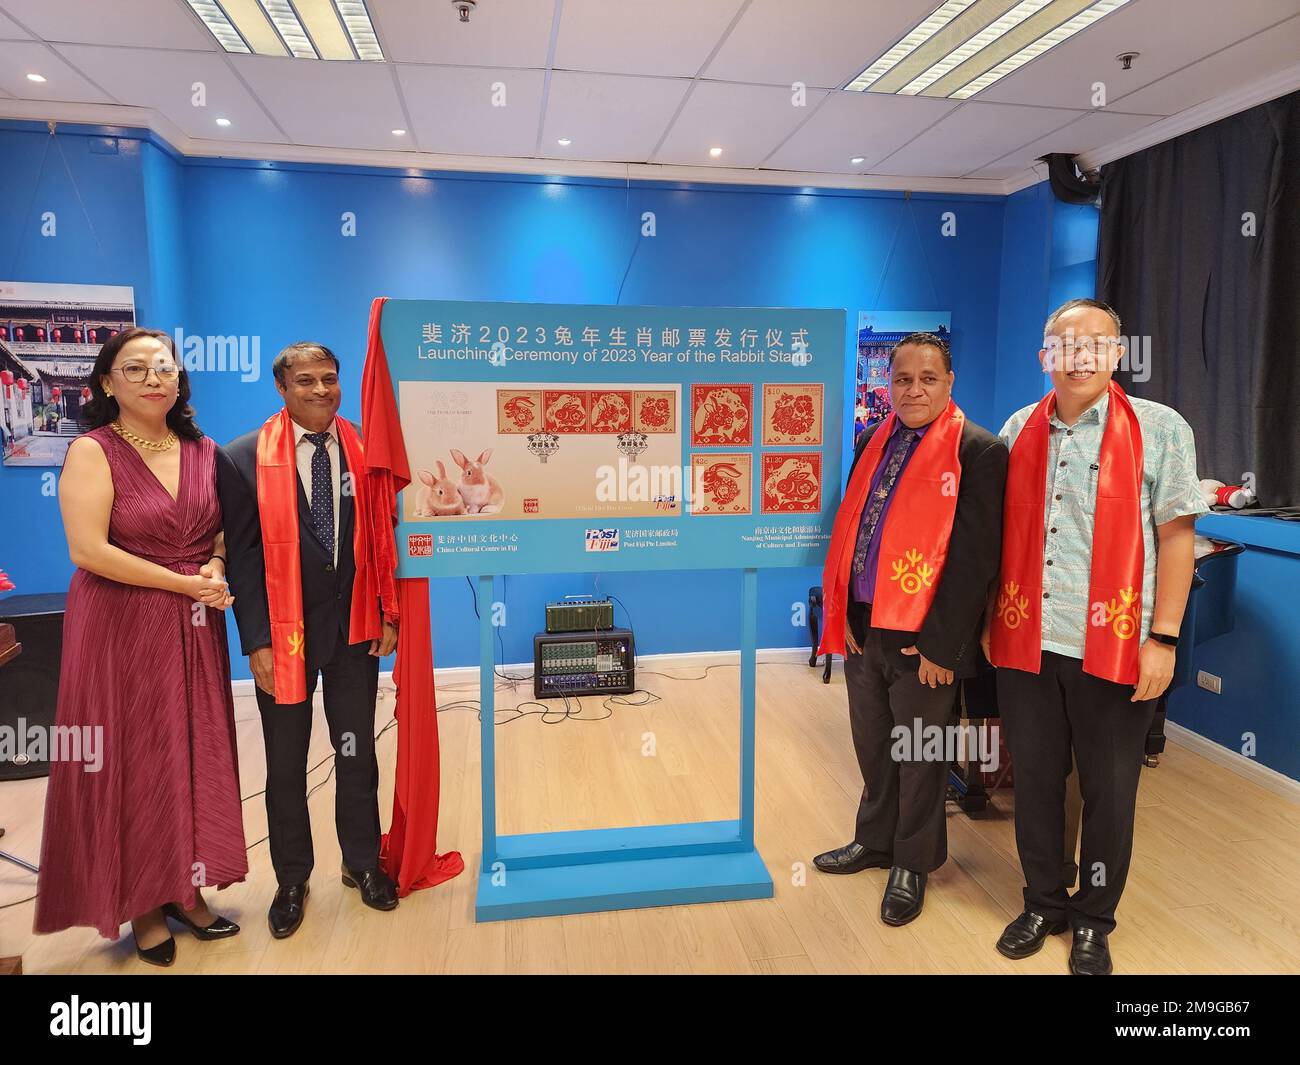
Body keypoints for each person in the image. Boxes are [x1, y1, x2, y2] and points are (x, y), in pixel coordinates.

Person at [986, 298, 1206, 975]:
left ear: (1117, 353)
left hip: (1117, 646)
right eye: (1063, 341)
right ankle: (1044, 900)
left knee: (1111, 792)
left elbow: (1176, 538)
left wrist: (1162, 638)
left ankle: (1093, 917)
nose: (1078, 354)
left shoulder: (1159, 428)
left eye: (1094, 342)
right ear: (1044, 354)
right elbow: (998, 538)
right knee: (1038, 783)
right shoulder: (1020, 427)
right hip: (1028, 639)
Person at [35, 328, 247, 966]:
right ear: (107, 383)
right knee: (131, 757)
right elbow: (89, 551)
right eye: (136, 368)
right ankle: (142, 903)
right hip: (118, 624)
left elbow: (219, 532)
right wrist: (183, 581)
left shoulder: (204, 449)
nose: (155, 378)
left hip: (193, 625)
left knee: (191, 749)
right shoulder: (92, 452)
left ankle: (187, 885)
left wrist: (212, 565)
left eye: (165, 367)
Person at [813, 333, 1008, 926]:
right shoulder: (875, 440)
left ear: (950, 382)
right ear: (888, 384)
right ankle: (875, 840)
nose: (914, 389)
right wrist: (841, 613)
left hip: (925, 636)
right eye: (902, 379)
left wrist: (943, 645)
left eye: (928, 378)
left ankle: (913, 863)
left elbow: (976, 560)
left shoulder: (978, 450)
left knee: (923, 749)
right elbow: (855, 534)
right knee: (873, 741)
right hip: (865, 621)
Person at [217, 341, 399, 939]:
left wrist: (387, 613)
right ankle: (292, 879)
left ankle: (362, 863)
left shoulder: (368, 452)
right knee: (286, 763)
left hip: (353, 635)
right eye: (306, 381)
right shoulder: (243, 458)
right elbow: (242, 557)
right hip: (283, 640)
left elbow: (382, 542)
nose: (321, 390)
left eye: (329, 379)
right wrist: (257, 642)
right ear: (282, 388)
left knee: (356, 752)